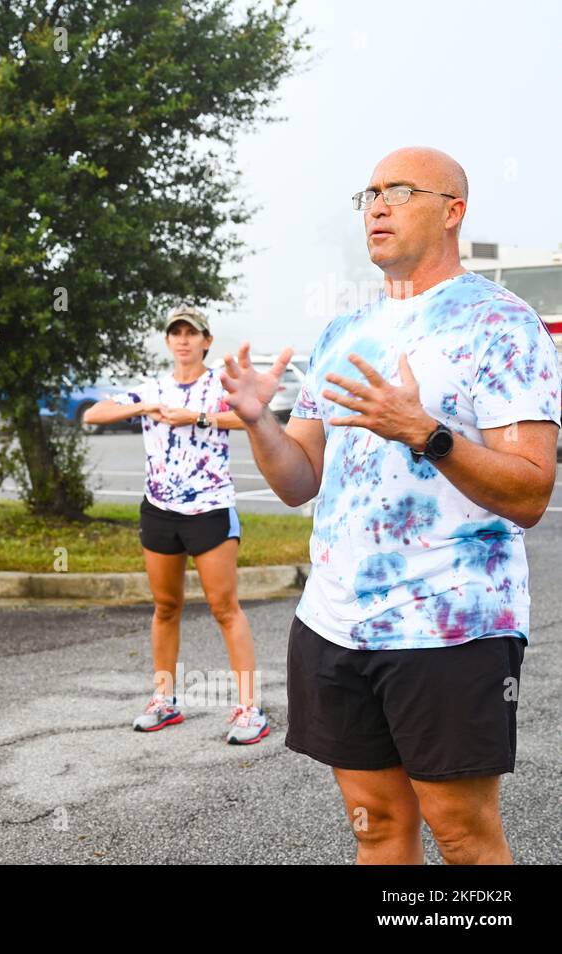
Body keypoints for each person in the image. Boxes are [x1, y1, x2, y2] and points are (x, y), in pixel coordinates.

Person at [222, 147, 559, 864]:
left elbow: (531, 491)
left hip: (451, 621)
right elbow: (299, 479)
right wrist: (261, 422)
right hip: (337, 620)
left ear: (452, 212)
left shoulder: (501, 324)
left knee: (463, 833)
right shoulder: (343, 334)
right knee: (374, 823)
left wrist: (425, 433)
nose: (376, 205)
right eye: (369, 193)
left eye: (399, 191)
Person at [85, 306, 267, 744]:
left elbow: (251, 417)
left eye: (192, 333)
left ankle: (249, 707)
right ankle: (164, 700)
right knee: (166, 607)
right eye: (176, 333)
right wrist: (144, 405)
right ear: (168, 341)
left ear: (206, 341)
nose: (183, 340)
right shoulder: (155, 388)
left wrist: (198, 417)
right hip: (159, 510)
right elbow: (93, 414)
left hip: (209, 508)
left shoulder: (216, 386)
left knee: (224, 607)